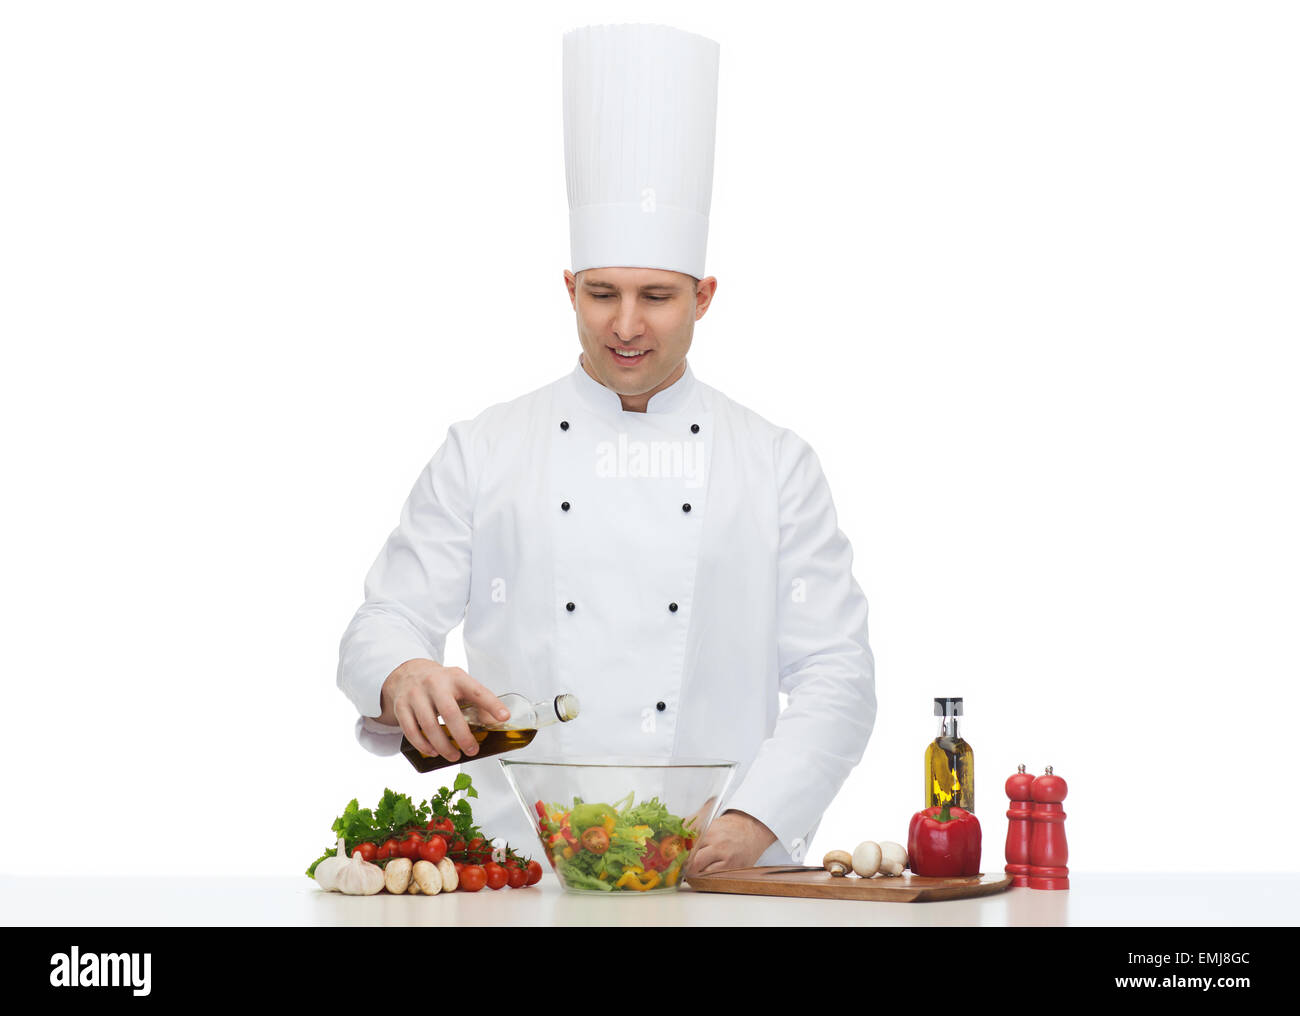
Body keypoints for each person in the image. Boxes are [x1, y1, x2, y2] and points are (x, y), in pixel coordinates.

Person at [337, 23, 875, 877]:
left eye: (656, 296)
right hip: (518, 874)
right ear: (569, 289)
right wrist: (402, 669)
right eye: (603, 295)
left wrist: (754, 820)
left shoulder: (774, 465)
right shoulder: (484, 450)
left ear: (704, 297)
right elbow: (383, 619)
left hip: (711, 869)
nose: (626, 326)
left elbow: (837, 671)